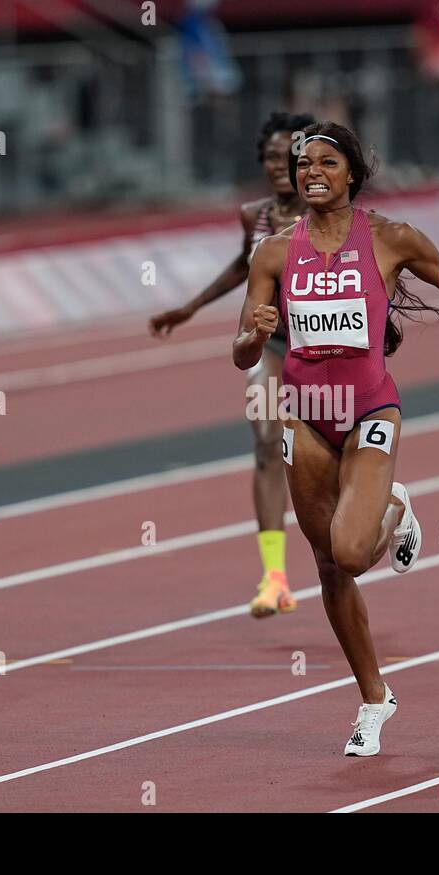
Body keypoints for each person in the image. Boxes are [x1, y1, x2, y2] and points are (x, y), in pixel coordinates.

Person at [233, 122, 439, 756]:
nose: (312, 173)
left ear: (352, 172)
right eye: (303, 165)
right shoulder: (273, 252)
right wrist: (255, 334)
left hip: (369, 411)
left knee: (352, 552)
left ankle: (396, 505)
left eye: (327, 163)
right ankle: (374, 699)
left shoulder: (392, 238)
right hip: (304, 416)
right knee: (328, 565)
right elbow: (241, 349)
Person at [151, 112, 315, 618]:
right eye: (269, 156)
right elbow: (241, 264)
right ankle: (275, 577)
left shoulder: (328, 213)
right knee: (267, 447)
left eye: (289, 154)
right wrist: (191, 306)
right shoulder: (256, 216)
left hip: (328, 353)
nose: (278, 164)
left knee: (322, 459)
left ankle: (383, 512)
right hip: (273, 346)